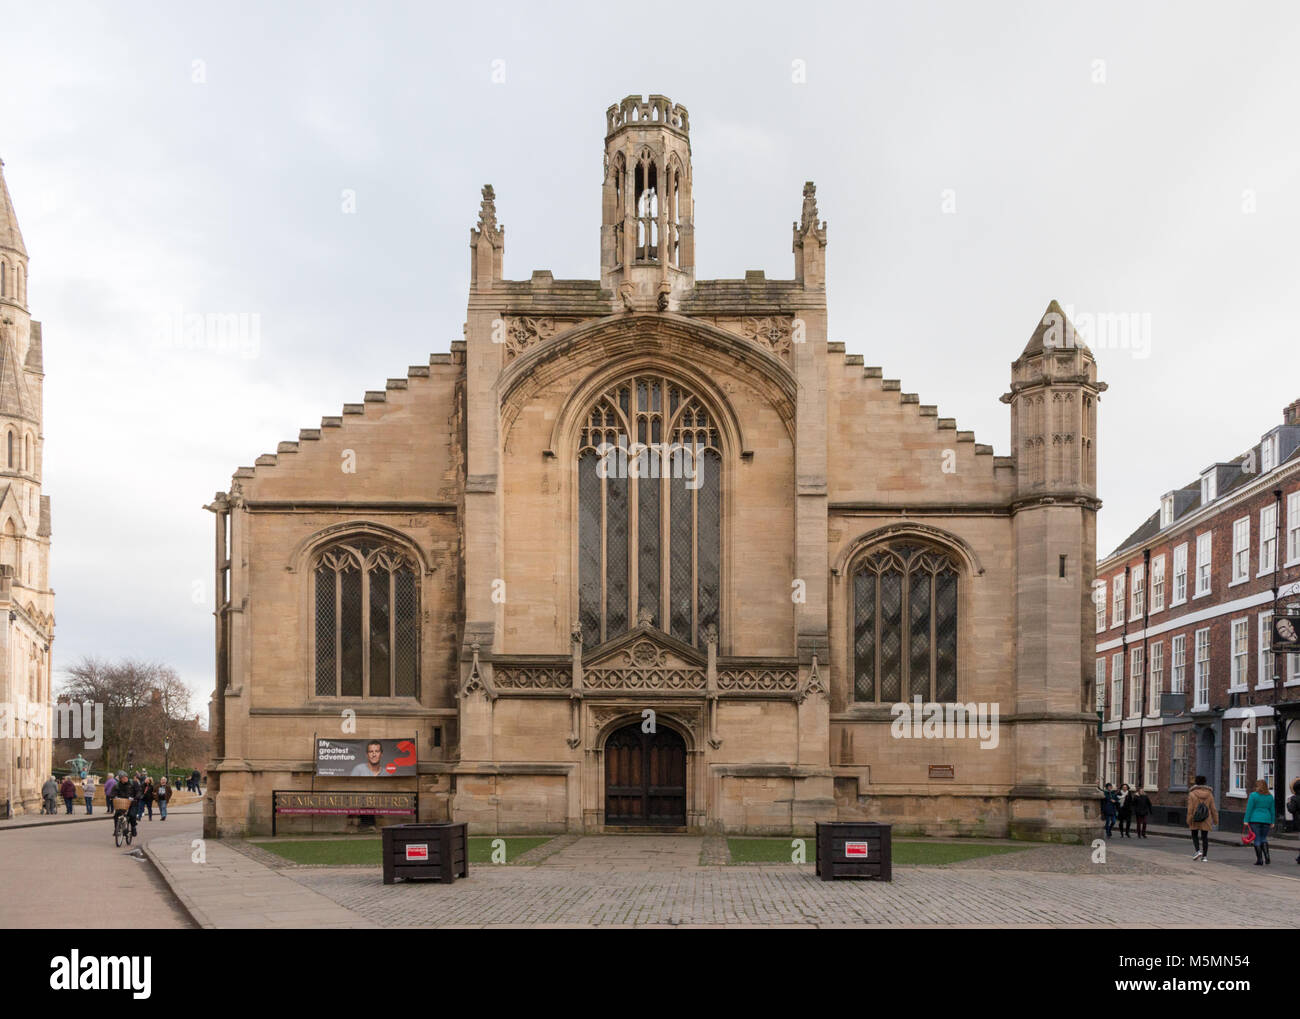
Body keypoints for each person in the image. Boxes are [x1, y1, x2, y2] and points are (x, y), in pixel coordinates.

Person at [1244, 778, 1275, 865]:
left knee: (1257, 839)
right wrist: (1273, 821)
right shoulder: (1270, 796)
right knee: (1263, 838)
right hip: (1267, 819)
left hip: (1255, 819)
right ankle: (1267, 857)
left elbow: (1249, 809)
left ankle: (1260, 860)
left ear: (1257, 786)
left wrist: (1246, 820)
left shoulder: (1253, 795)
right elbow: (1272, 810)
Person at [1187, 775, 1218, 861]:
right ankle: (1205, 857)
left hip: (1195, 817)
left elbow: (1190, 808)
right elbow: (1213, 808)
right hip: (1206, 818)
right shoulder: (1209, 794)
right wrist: (1215, 820)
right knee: (1205, 837)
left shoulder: (1192, 794)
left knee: (1194, 835)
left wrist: (1189, 819)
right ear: (1205, 782)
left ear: (1196, 782)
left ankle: (1197, 851)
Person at [112, 770, 139, 839]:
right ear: (120, 779)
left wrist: (135, 797)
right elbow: (113, 792)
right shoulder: (117, 785)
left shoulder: (133, 783)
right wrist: (114, 796)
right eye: (123, 778)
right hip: (122, 803)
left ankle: (133, 827)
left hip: (132, 803)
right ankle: (117, 829)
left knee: (132, 815)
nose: (125, 779)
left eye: (125, 777)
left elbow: (139, 791)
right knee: (116, 815)